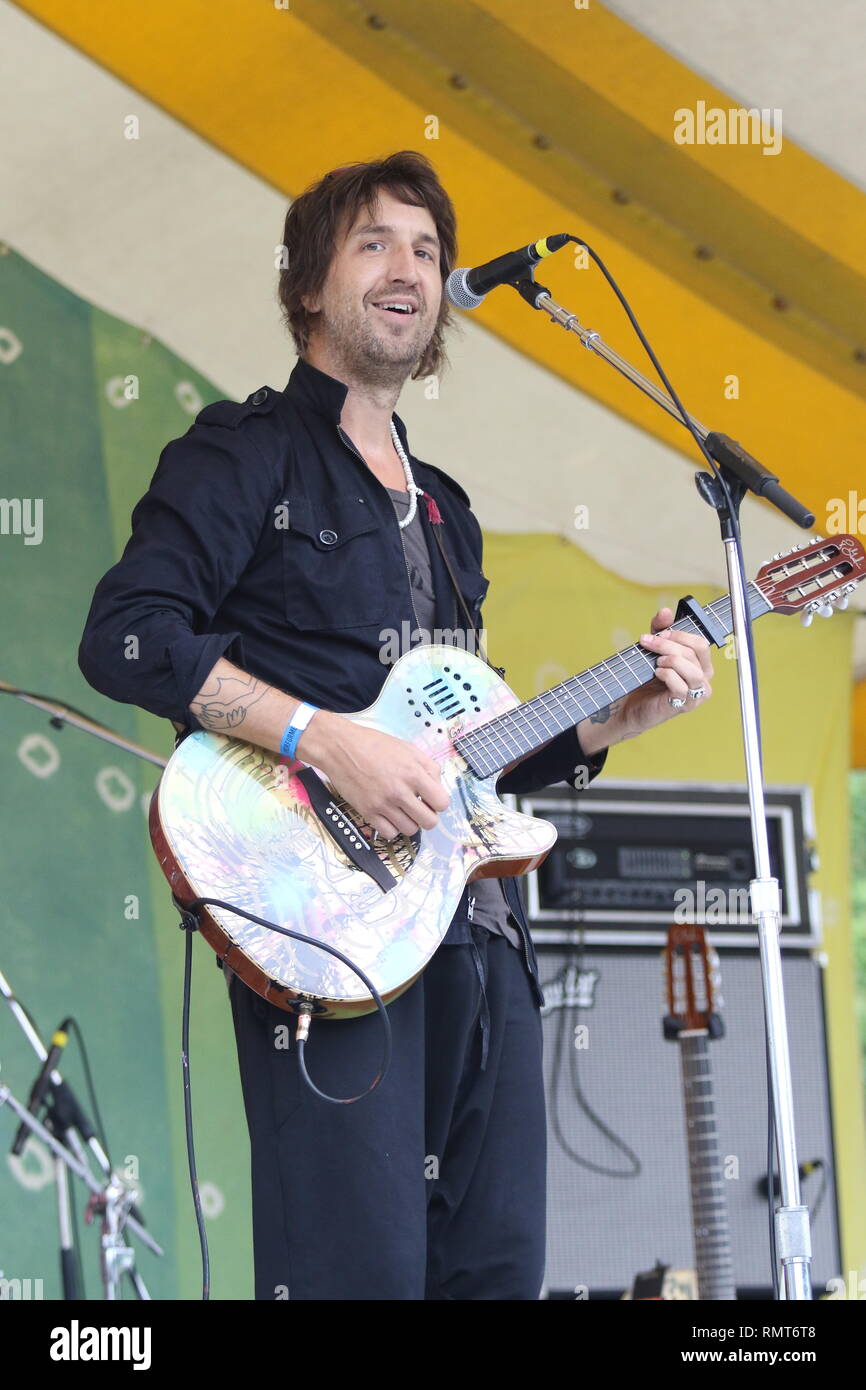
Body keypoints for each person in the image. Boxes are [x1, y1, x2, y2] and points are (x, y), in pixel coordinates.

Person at [78, 150, 714, 1300]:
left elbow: (465, 755)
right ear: (310, 285)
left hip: (479, 938)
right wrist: (319, 736)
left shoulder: (445, 509)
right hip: (330, 940)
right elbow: (125, 636)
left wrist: (610, 717)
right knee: (355, 1275)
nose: (408, 267)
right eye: (373, 241)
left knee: (495, 1271)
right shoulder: (241, 452)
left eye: (427, 249)